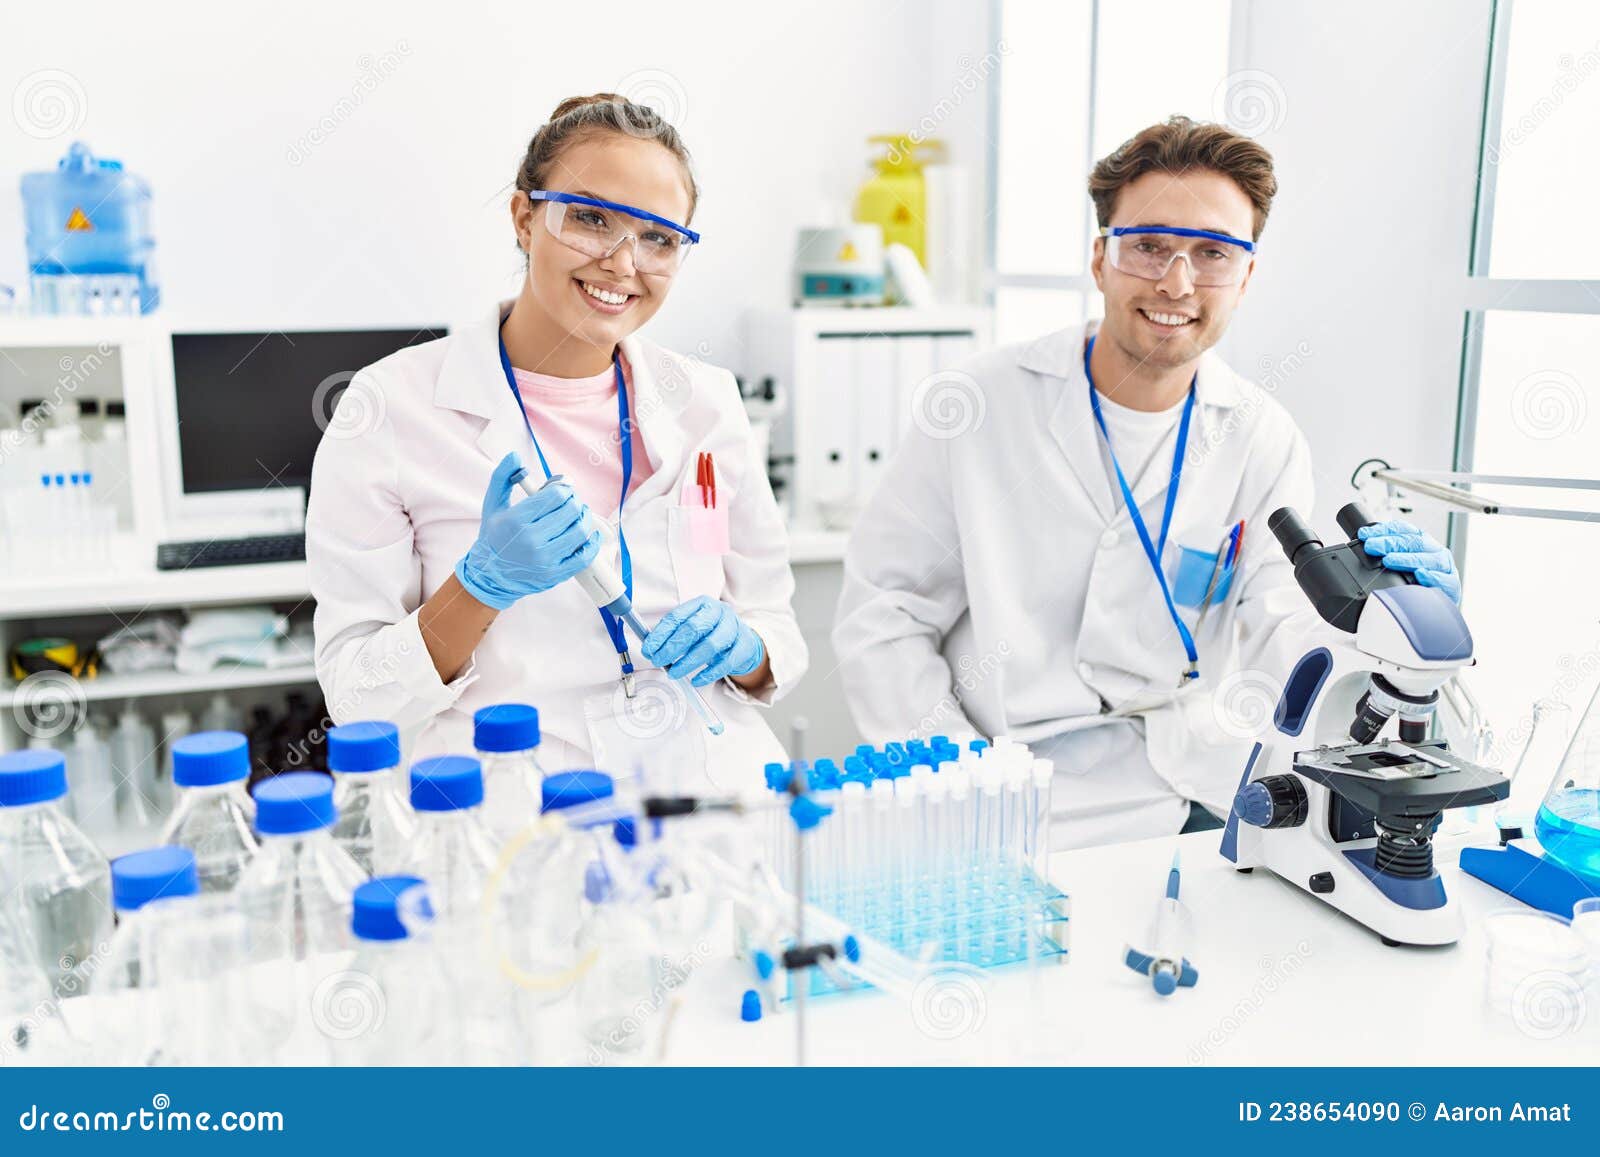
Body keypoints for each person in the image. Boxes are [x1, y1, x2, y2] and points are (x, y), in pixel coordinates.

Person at [832, 116, 1458, 847]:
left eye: (1213, 253)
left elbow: (1279, 632)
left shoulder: (1261, 436)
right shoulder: (977, 406)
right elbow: (884, 614)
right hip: (988, 787)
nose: (1177, 281)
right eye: (1151, 246)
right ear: (1100, 259)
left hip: (1182, 792)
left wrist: (1387, 626)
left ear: (1246, 275)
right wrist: (954, 774)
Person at [307, 94, 806, 792]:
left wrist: (747, 648)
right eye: (591, 219)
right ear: (524, 217)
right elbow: (358, 697)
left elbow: (774, 626)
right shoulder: (389, 409)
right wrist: (479, 587)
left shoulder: (705, 401)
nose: (622, 263)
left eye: (659, 238)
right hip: (515, 812)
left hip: (712, 797)